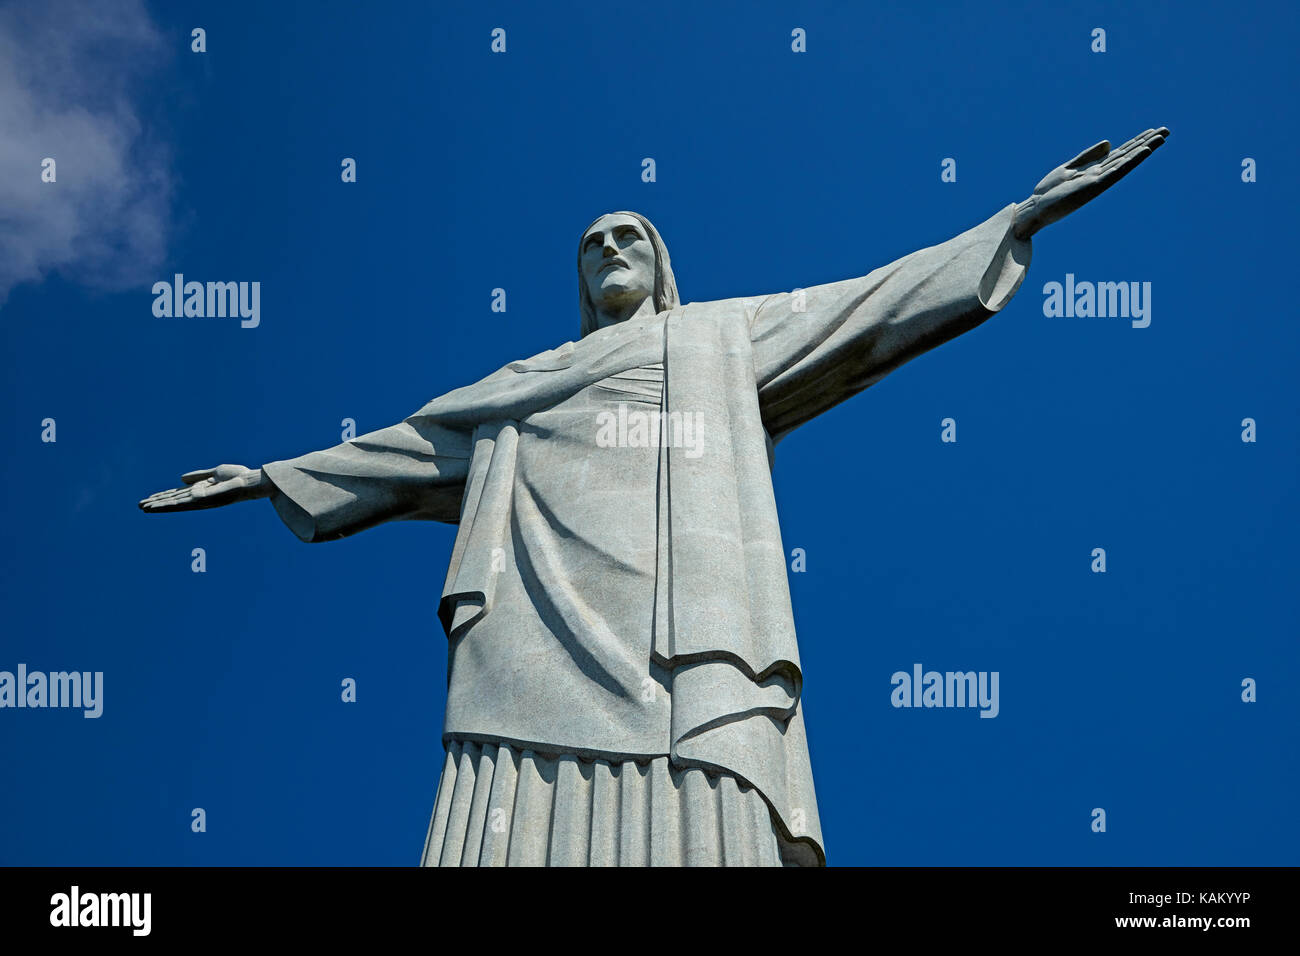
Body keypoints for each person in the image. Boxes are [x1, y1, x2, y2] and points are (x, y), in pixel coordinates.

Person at [141, 127, 1169, 866]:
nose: (609, 253)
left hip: (684, 612)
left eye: (628, 237)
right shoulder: (517, 384)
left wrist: (1014, 217)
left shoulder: (716, 338)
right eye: (592, 246)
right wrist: (267, 475)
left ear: (659, 264)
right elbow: (405, 449)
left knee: (706, 789)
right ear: (578, 279)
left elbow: (867, 305)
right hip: (532, 623)